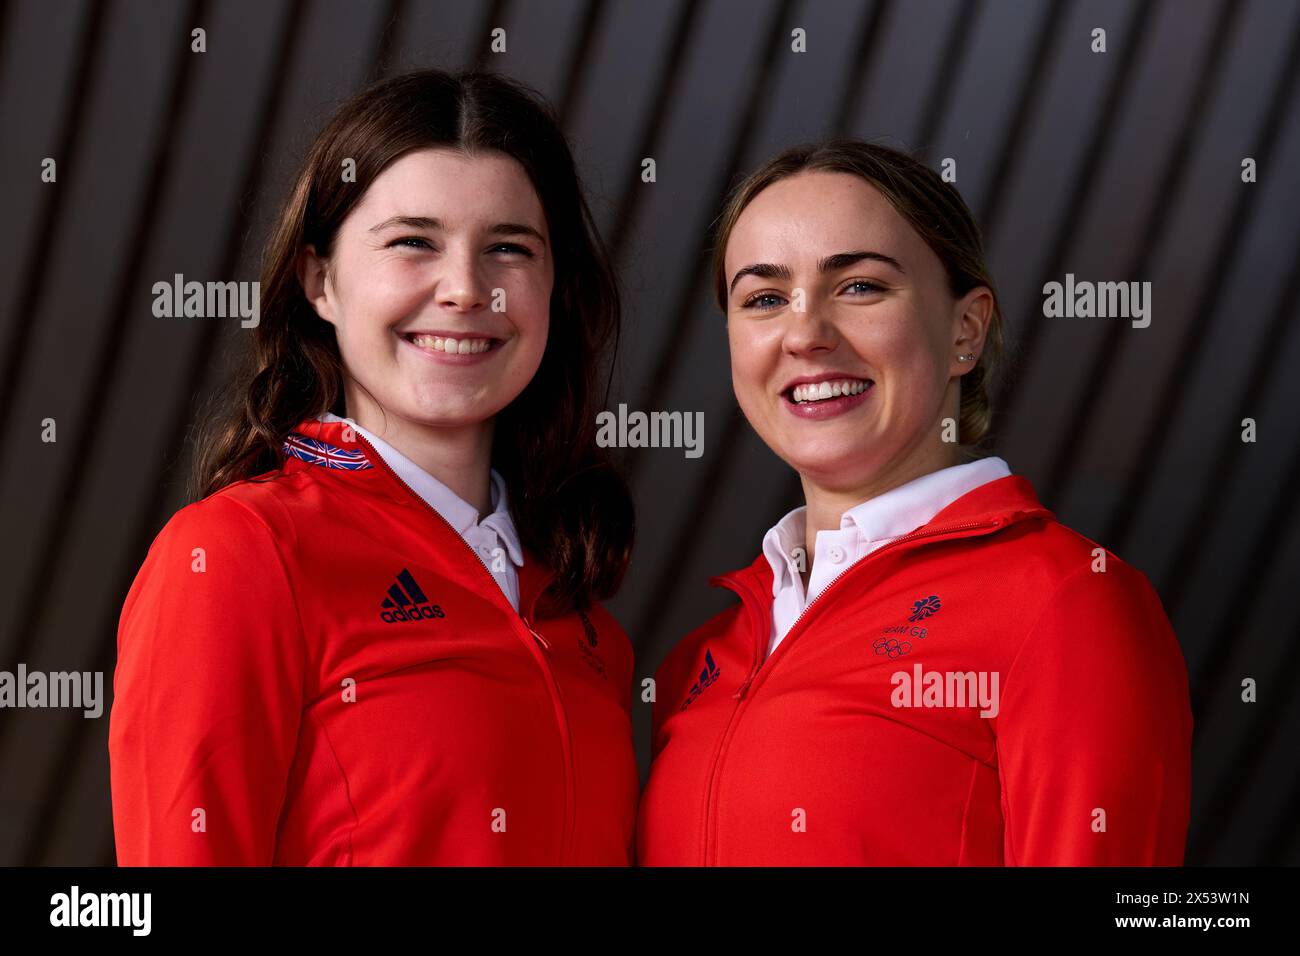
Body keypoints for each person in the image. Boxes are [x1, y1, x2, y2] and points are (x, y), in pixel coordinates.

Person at [109, 69, 638, 865]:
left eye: (508, 249)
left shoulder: (578, 604)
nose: (465, 289)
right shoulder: (239, 554)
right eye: (413, 242)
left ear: (554, 288)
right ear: (320, 280)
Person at [636, 139, 1192, 866]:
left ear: (966, 329)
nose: (805, 334)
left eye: (860, 286)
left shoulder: (1065, 602)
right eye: (765, 298)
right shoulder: (703, 658)